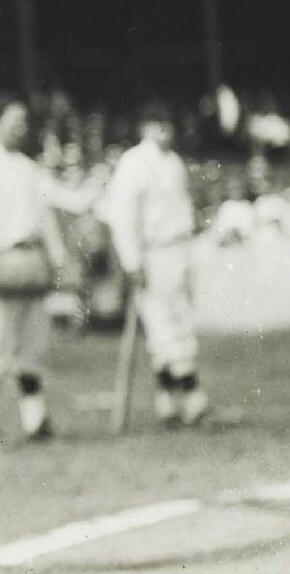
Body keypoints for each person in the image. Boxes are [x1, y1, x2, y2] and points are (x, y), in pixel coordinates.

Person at [0, 96, 67, 447]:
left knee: (31, 344)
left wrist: (57, 257)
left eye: (24, 122)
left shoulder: (27, 167)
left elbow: (45, 215)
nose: (21, 128)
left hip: (29, 262)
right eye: (13, 120)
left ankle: (36, 421)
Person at [104, 105, 209, 427]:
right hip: (152, 253)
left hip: (179, 248)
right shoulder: (134, 163)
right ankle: (192, 396)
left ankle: (167, 401)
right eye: (157, 124)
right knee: (163, 326)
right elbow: (122, 217)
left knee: (180, 322)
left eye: (168, 124)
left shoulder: (174, 162)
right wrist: (132, 261)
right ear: (144, 127)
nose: (165, 131)